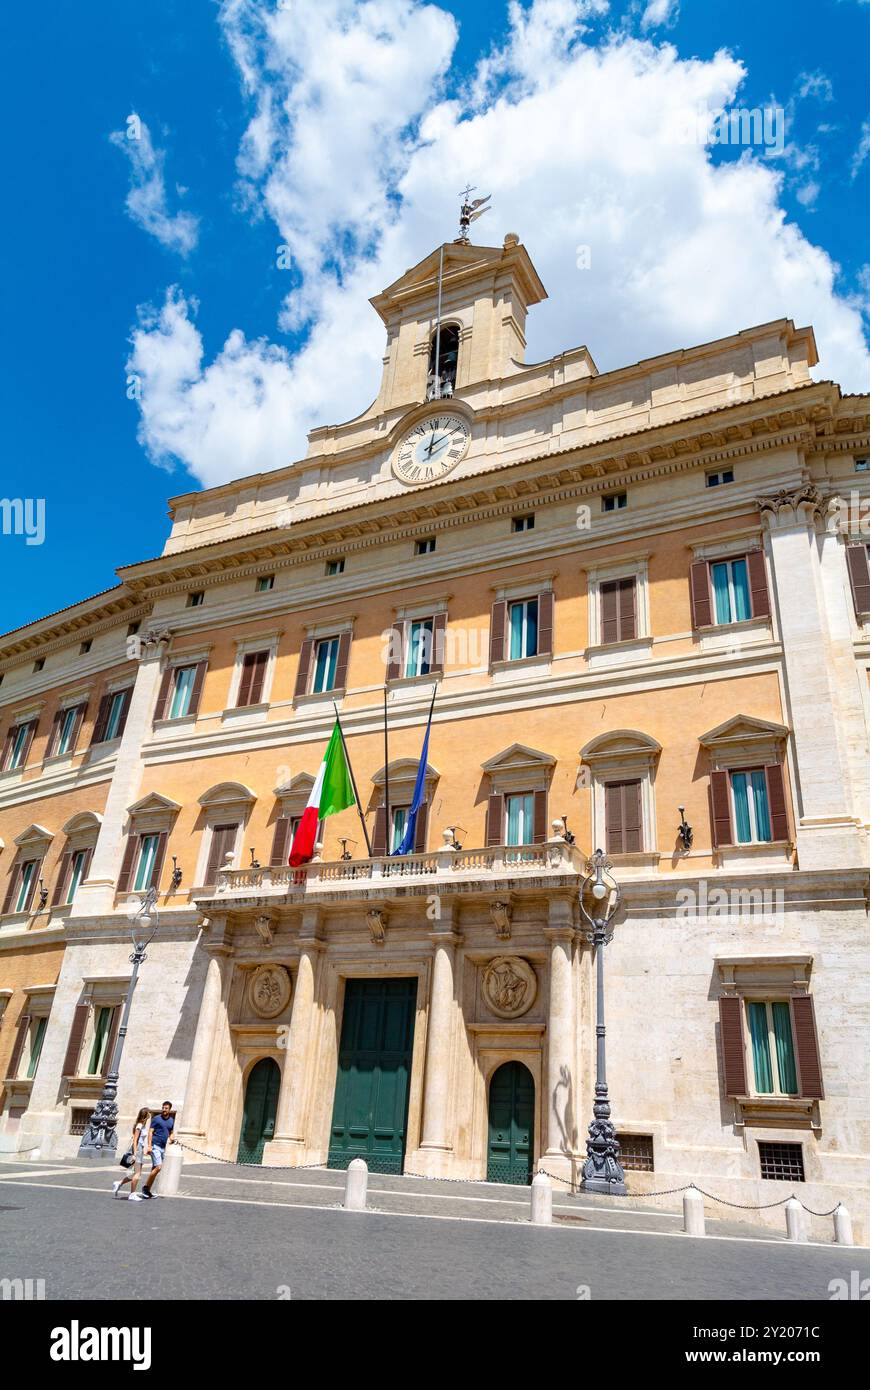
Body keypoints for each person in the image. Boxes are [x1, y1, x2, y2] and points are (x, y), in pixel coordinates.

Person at [112, 1107, 150, 1200]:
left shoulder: (142, 1125)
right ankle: (132, 1194)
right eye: (149, 1113)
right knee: (137, 1174)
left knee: (135, 1173)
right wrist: (135, 1154)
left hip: (140, 1150)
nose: (150, 1115)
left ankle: (119, 1183)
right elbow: (135, 1140)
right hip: (138, 1151)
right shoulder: (139, 1126)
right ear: (145, 1115)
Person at [141, 1100, 176, 1199]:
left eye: (166, 1108)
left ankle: (147, 1191)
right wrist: (149, 1146)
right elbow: (150, 1132)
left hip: (162, 1147)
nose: (164, 1110)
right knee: (159, 1167)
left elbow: (171, 1132)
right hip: (155, 1145)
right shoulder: (156, 1119)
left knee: (155, 1169)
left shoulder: (171, 1120)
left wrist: (172, 1137)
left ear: (169, 1109)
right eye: (163, 1108)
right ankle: (145, 1187)